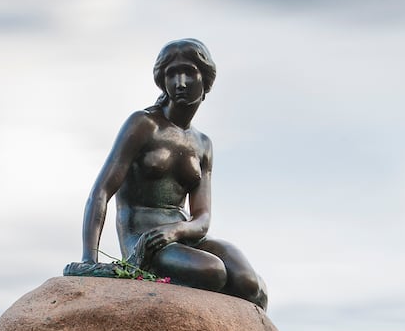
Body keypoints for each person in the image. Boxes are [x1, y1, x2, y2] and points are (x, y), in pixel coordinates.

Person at [77, 38, 268, 308]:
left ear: (205, 80)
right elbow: (101, 192)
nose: (180, 82)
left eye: (189, 72)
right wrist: (89, 259)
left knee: (250, 284)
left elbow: (202, 217)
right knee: (213, 271)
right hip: (145, 241)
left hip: (182, 235)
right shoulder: (143, 124)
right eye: (171, 74)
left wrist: (177, 230)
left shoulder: (203, 144)